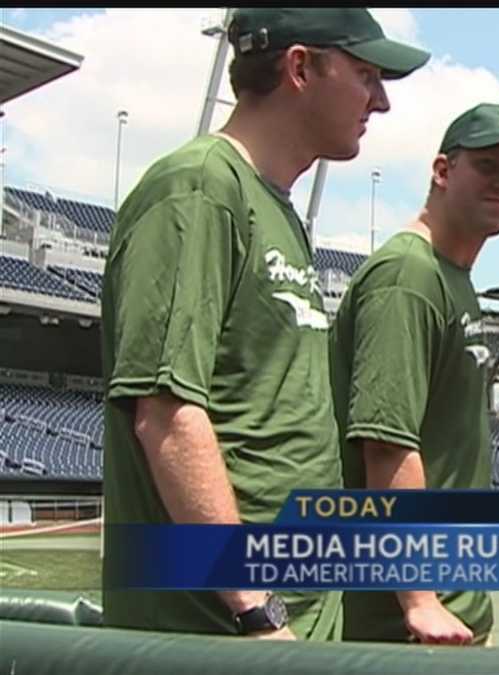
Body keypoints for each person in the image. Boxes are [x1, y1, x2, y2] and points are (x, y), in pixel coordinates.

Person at [100, 8, 429, 639]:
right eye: (365, 74)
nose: (381, 101)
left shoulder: (276, 210)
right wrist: (254, 606)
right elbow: (166, 411)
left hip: (294, 620)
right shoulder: (198, 187)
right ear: (300, 66)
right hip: (216, 631)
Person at [331, 103, 499, 646]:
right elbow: (386, 442)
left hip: (455, 607)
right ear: (442, 170)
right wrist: (421, 599)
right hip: (407, 624)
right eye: (490, 167)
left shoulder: (454, 277)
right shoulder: (408, 275)